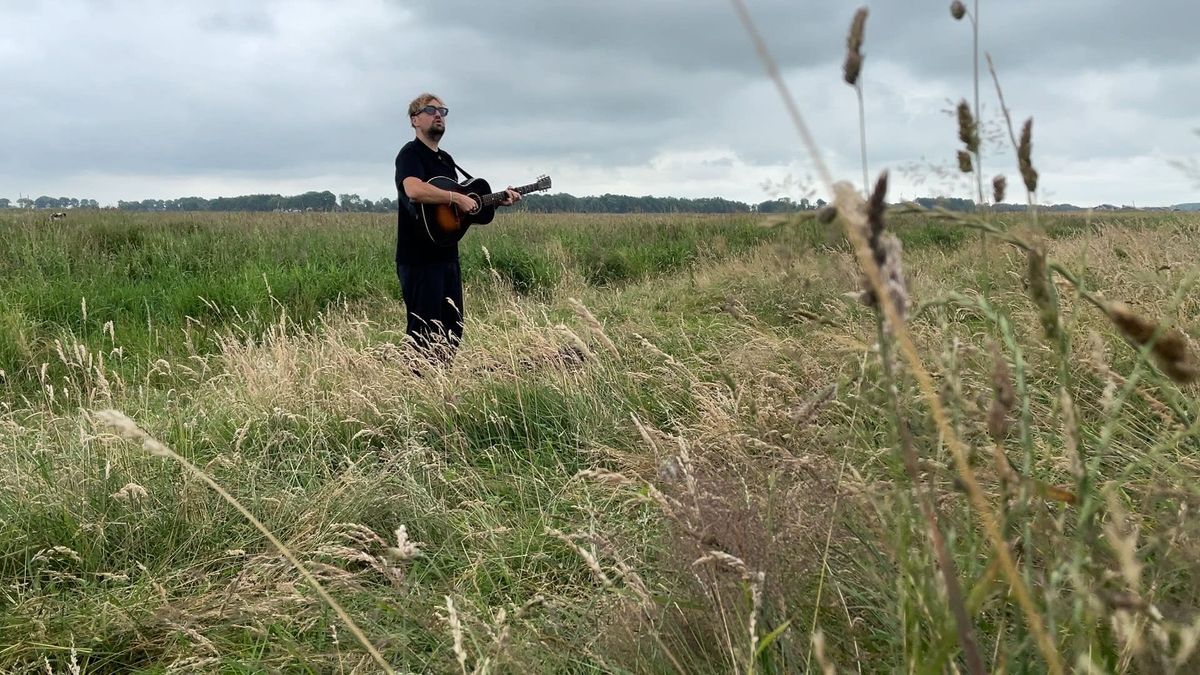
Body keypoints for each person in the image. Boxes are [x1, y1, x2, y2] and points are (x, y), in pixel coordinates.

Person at [394, 92, 520, 362]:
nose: (438, 115)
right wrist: (455, 197)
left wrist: (497, 201)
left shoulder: (447, 161)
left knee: (452, 327)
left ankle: (441, 388)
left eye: (443, 111)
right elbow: (413, 189)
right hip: (418, 258)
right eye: (430, 110)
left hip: (447, 256)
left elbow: (461, 210)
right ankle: (415, 388)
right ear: (415, 120)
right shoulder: (410, 154)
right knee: (423, 331)